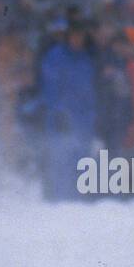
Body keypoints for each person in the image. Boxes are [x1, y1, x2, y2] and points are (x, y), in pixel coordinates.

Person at [36, 19, 97, 201]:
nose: (78, 39)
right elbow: (50, 87)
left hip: (83, 119)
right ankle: (59, 201)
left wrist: (92, 114)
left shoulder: (85, 59)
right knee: (60, 160)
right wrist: (58, 110)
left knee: (81, 161)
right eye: (75, 36)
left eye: (81, 36)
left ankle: (78, 200)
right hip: (60, 118)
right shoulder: (55, 57)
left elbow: (90, 89)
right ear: (68, 37)